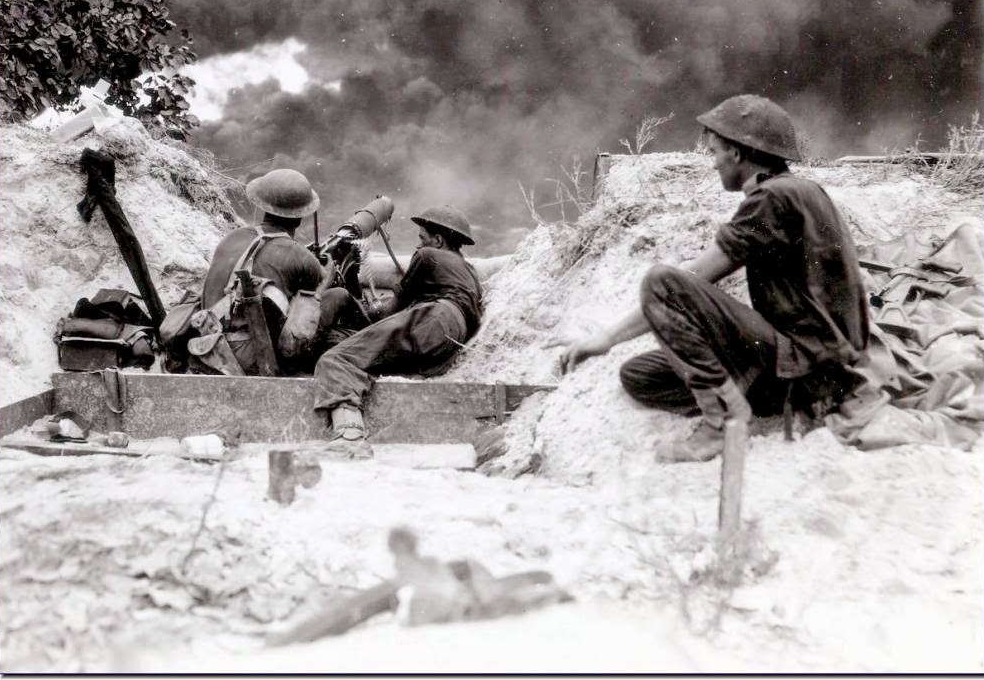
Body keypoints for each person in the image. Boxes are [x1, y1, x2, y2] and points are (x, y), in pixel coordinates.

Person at [559, 94, 869, 462]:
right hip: (813, 365)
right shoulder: (796, 190)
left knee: (661, 282)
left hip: (810, 366)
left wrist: (607, 337)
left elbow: (689, 279)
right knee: (641, 375)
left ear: (737, 153)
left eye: (714, 152)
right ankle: (749, 404)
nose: (713, 163)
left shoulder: (773, 198)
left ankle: (722, 422)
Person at [312, 205, 484, 440]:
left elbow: (396, 308)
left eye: (422, 238)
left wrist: (370, 312)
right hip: (450, 336)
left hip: (433, 320)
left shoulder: (427, 256)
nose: (418, 245)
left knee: (337, 359)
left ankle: (348, 436)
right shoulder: (469, 270)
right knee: (365, 356)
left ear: (438, 240)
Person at [198, 168, 364, 375]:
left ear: (263, 205)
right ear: (299, 218)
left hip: (208, 343)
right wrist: (326, 280)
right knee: (340, 295)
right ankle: (370, 335)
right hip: (254, 357)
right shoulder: (300, 256)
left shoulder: (232, 238)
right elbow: (308, 309)